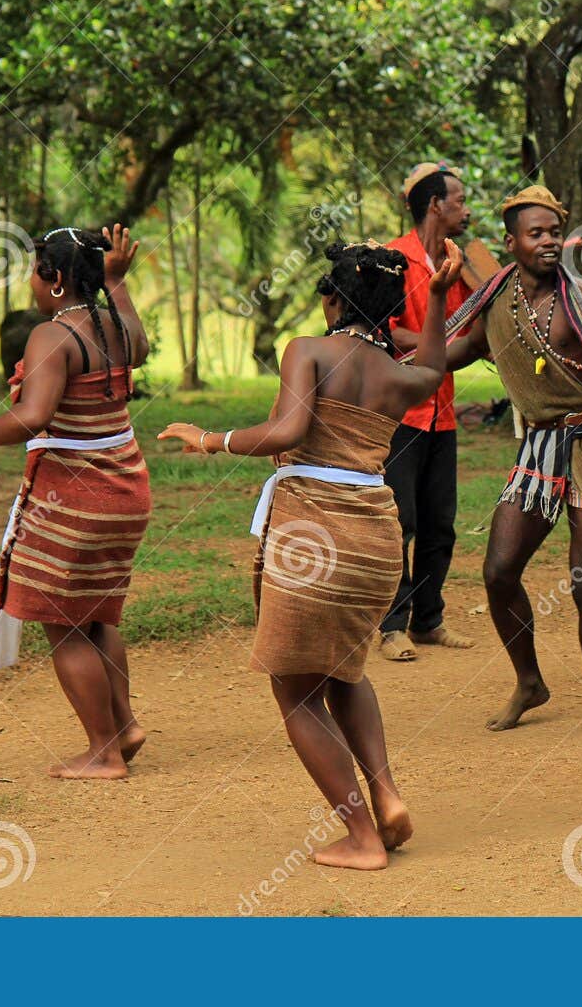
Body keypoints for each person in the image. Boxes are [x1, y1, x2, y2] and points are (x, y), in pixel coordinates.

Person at [159, 240, 463, 870]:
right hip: (377, 534)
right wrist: (435, 300)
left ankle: (361, 837)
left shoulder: (308, 350)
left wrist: (210, 439)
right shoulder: (399, 373)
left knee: (295, 691)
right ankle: (386, 793)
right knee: (345, 670)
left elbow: (291, 431)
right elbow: (436, 369)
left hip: (313, 535)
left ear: (331, 297)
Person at [431, 184, 582, 736]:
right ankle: (530, 682)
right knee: (498, 573)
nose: (546, 242)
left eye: (552, 232)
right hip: (539, 449)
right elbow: (436, 361)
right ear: (511, 241)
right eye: (534, 233)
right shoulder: (494, 307)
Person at [0, 227, 151, 780]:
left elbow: (34, 415)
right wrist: (118, 281)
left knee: (65, 623)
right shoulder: (115, 325)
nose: (30, 282)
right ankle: (123, 727)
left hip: (73, 497)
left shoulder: (52, 336)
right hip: (125, 486)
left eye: (33, 271)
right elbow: (140, 348)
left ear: (52, 279)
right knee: (96, 613)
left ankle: (103, 751)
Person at [375, 161, 476, 662]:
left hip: (444, 413)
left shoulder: (460, 261)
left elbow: (479, 310)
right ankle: (391, 625)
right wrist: (439, 345)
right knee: (400, 519)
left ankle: (428, 620)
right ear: (435, 204)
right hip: (400, 414)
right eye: (459, 200)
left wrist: (473, 259)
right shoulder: (393, 259)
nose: (466, 209)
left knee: (440, 520)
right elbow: (386, 331)